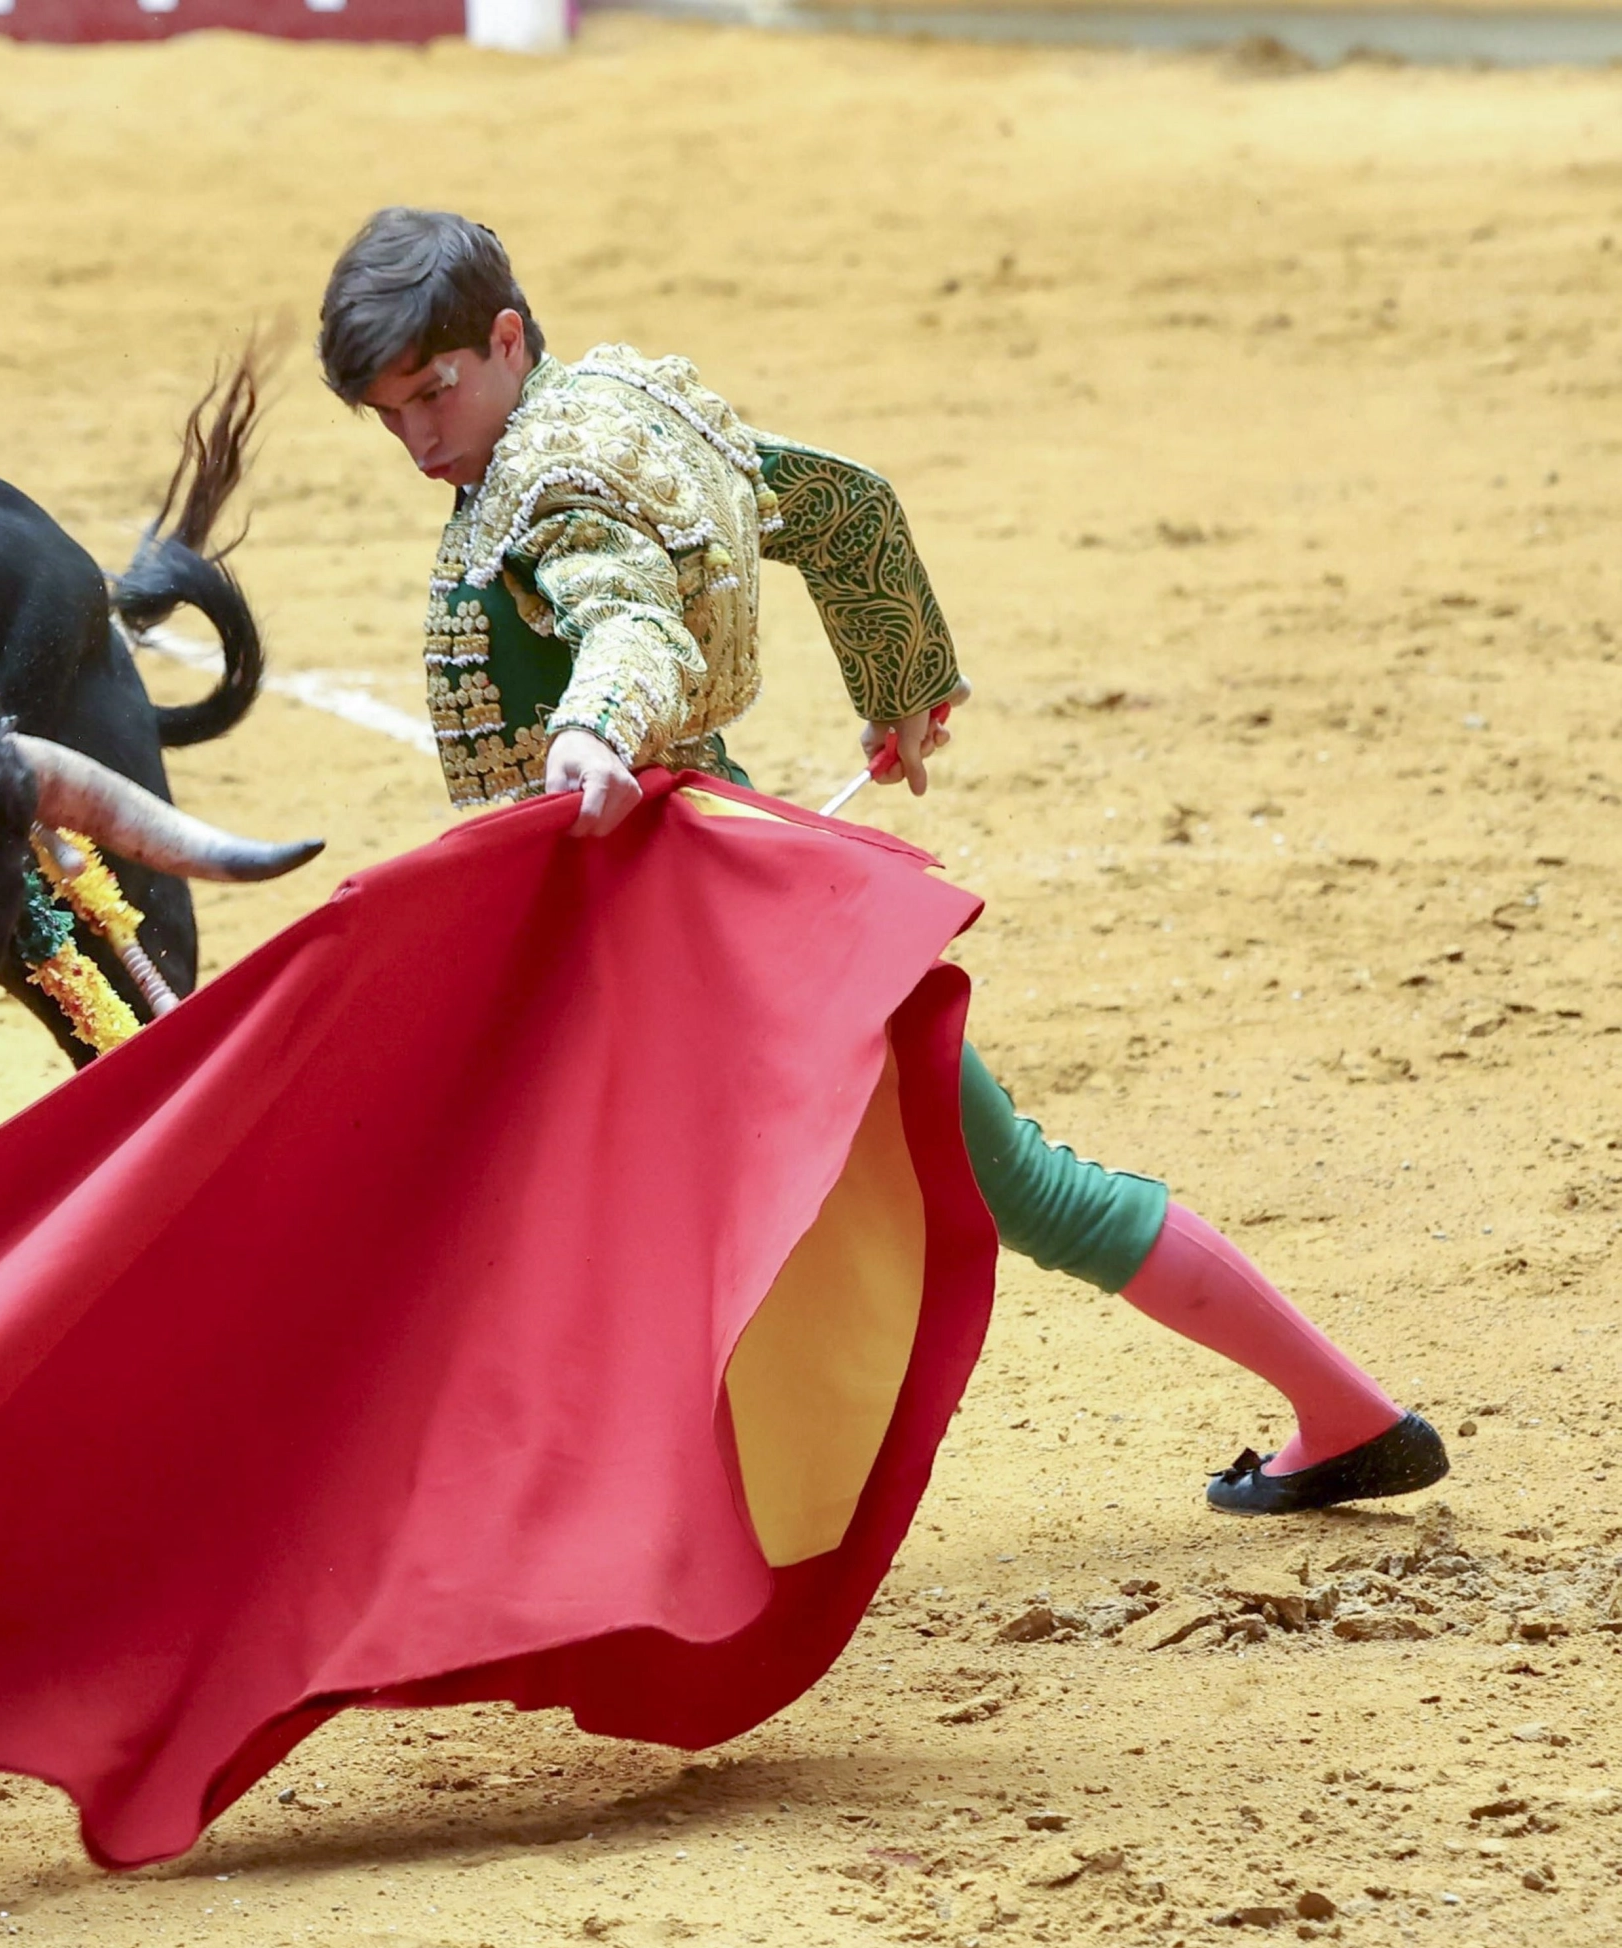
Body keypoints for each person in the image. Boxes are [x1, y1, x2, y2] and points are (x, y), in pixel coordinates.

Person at [318, 206, 1445, 1515]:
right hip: (710, 886)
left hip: (665, 914)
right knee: (993, 1180)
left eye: (432, 393)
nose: (415, 439)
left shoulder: (561, 483)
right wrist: (902, 676)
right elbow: (840, 511)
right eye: (387, 413)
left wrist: (590, 724)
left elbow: (628, 621)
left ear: (505, 339)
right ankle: (1343, 1410)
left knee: (572, 1212)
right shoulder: (615, 411)